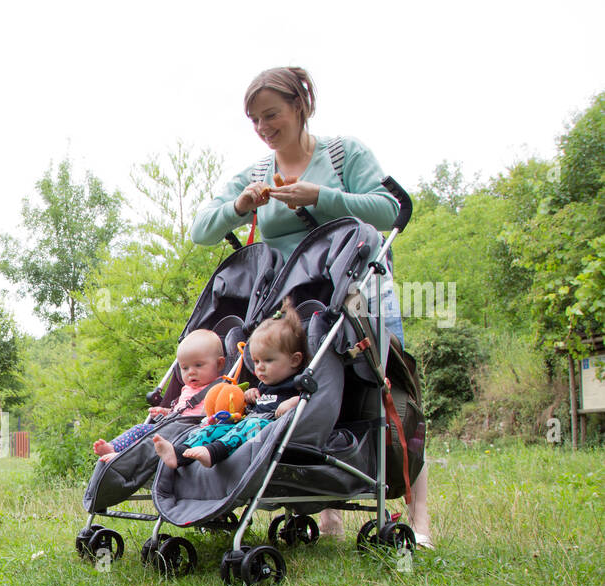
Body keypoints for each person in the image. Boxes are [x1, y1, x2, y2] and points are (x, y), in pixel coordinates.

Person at [188, 66, 433, 546]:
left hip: (359, 291)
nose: (263, 128)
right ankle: (324, 515)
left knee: (387, 398)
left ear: (301, 106)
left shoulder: (343, 155)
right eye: (254, 120)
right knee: (307, 392)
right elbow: (202, 231)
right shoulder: (257, 172)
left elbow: (389, 208)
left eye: (271, 115)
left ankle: (419, 519)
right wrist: (239, 206)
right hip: (293, 306)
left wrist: (320, 196)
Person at [152, 301, 305, 470]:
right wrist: (251, 394)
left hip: (269, 431)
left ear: (294, 360)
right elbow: (259, 402)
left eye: (268, 360)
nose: (260, 367)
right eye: (256, 361)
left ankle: (212, 453)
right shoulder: (265, 384)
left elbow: (310, 402)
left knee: (246, 427)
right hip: (248, 425)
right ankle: (179, 453)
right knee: (212, 429)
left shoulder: (296, 384)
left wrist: (294, 402)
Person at [93, 329, 226, 461]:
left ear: (219, 364)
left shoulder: (219, 389)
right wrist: (166, 412)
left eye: (198, 365)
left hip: (190, 431)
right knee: (140, 429)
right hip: (172, 424)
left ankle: (126, 457)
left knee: (152, 441)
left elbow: (221, 414)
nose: (191, 372)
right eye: (185, 368)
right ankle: (114, 447)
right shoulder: (187, 389)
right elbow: (181, 411)